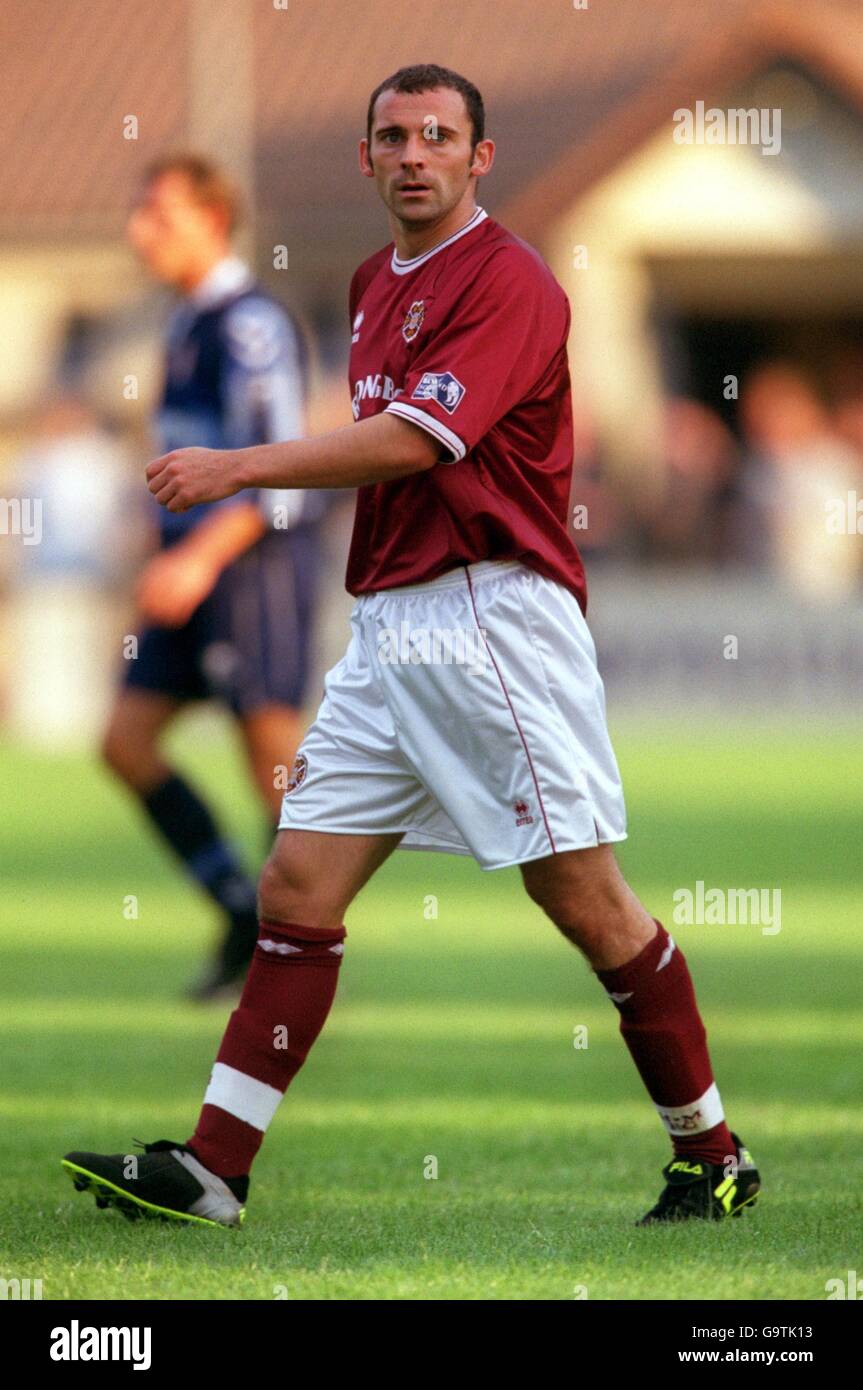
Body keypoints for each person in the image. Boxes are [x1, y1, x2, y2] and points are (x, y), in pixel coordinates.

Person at [63, 66, 761, 1228]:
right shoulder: (370, 280)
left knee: (583, 897)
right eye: (393, 135)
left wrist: (241, 466)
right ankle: (214, 1169)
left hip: (493, 616)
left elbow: (412, 443)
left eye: (439, 135)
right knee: (295, 882)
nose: (414, 153)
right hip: (390, 624)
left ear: (478, 157)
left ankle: (713, 1153)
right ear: (367, 157)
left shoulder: (509, 279)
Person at [101, 154, 326, 1001]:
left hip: (251, 562)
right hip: (188, 567)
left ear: (211, 219)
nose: (139, 231)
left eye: (157, 213)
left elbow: (273, 470)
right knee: (123, 743)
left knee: (269, 749)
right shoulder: (182, 321)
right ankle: (241, 910)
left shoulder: (250, 325)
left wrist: (197, 557)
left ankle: (298, 948)